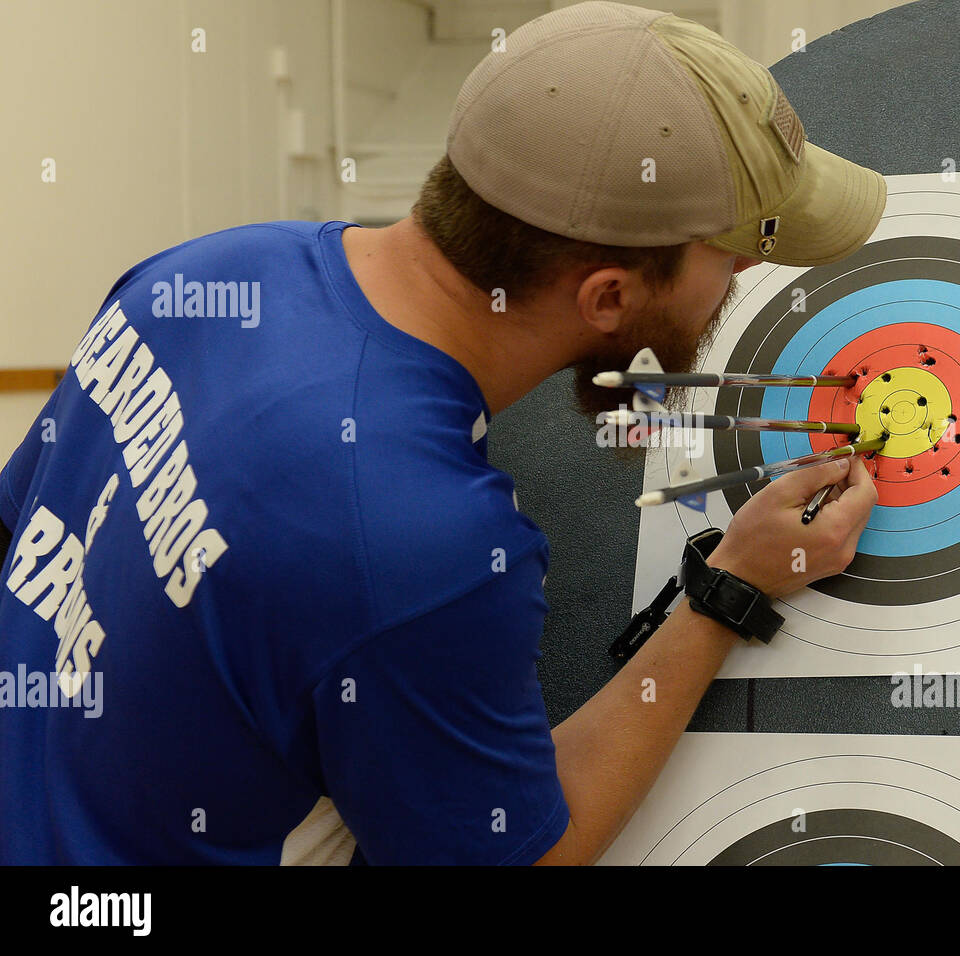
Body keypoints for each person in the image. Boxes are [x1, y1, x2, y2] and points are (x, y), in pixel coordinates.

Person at [0, 1, 884, 864]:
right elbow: (527, 849)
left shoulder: (209, 271)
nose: (751, 268)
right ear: (608, 295)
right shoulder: (421, 546)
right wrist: (726, 591)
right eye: (732, 250)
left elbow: (20, 525)